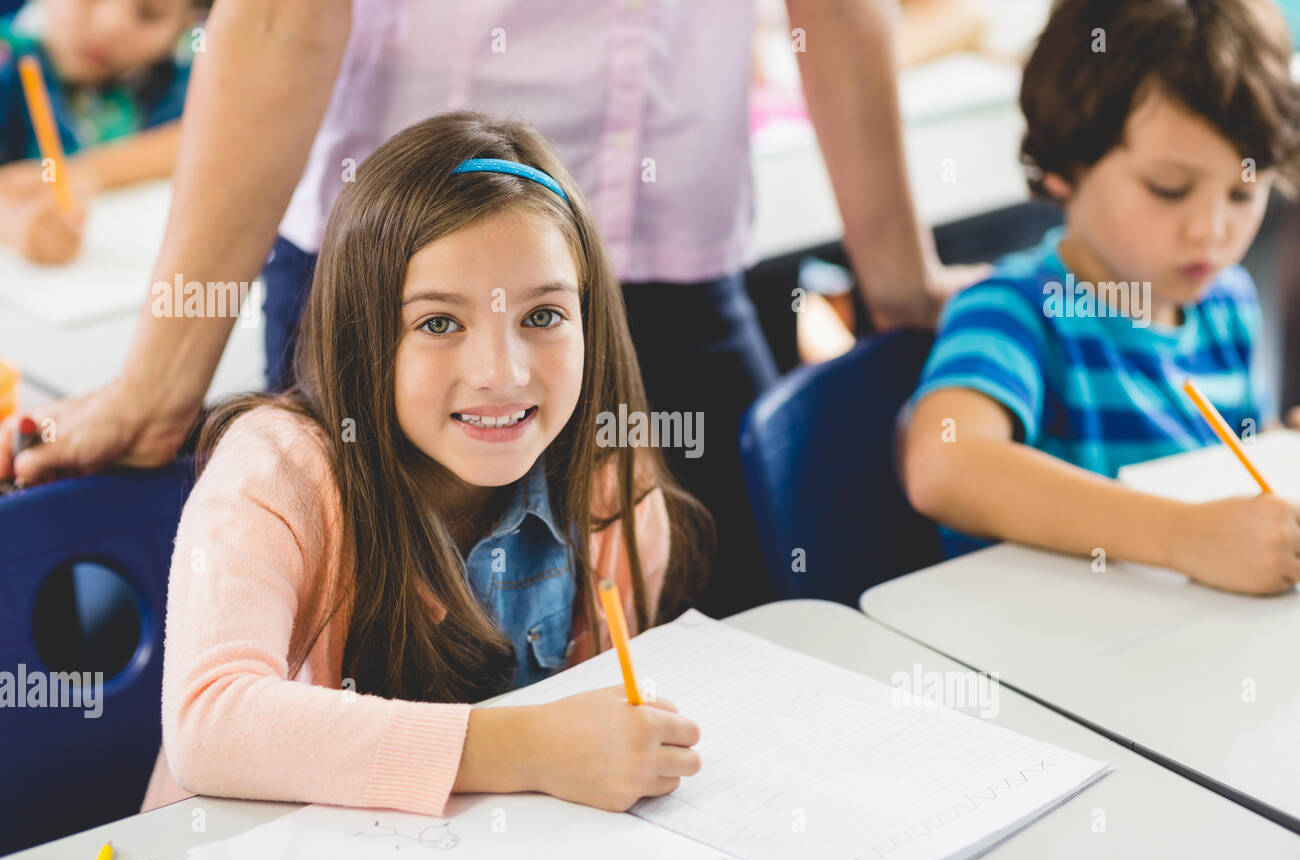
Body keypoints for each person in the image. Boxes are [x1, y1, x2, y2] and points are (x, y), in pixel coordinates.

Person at [0, 0, 982, 616]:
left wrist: (897, 280)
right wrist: (160, 386)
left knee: (730, 653)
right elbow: (279, 16)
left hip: (674, 254)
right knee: (379, 665)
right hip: (394, 278)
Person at [141, 112, 714, 816]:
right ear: (365, 334)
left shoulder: (608, 484)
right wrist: (524, 747)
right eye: (439, 323)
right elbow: (211, 725)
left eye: (543, 316)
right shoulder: (279, 474)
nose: (500, 374)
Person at [902, 0, 1300, 595]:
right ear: (1065, 165)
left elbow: (1221, 452)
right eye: (1169, 189)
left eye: (1244, 195)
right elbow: (943, 466)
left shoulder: (1228, 305)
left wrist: (1277, 448)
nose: (1211, 231)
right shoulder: (1016, 312)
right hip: (1039, 655)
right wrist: (1184, 537)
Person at [0, 0, 205, 262]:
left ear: (183, 26)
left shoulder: (173, 72)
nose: (112, 25)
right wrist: (11, 224)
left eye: (150, 14)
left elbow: (202, 140)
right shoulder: (8, 63)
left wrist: (86, 174)